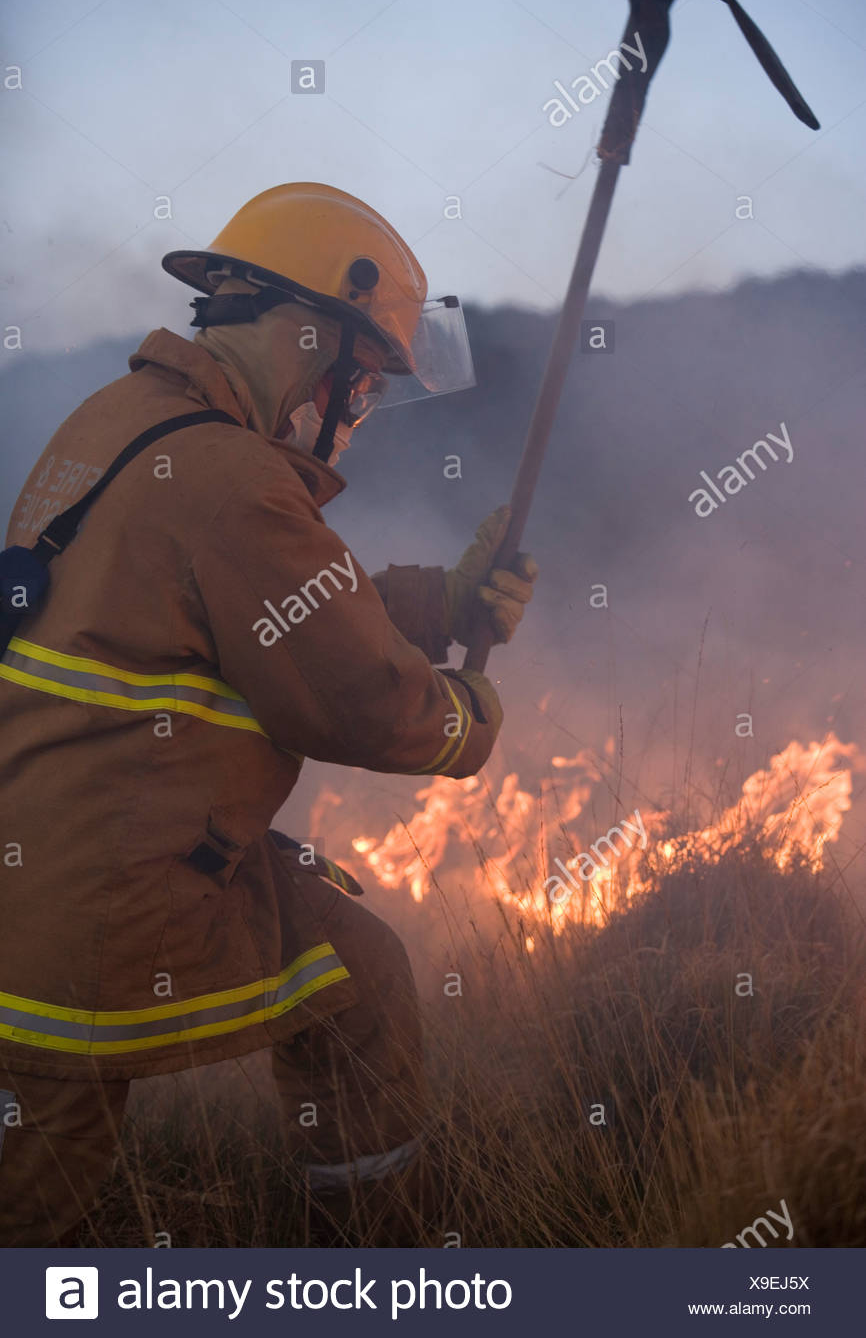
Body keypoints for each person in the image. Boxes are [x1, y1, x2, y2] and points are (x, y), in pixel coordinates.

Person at [0, 183, 537, 1246]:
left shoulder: (125, 422)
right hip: (107, 897)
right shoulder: (230, 477)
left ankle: (371, 1263)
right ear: (311, 340)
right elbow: (357, 700)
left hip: (71, 847)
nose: (361, 409)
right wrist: (467, 715)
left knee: (356, 975)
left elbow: (254, 616)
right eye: (368, 379)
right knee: (32, 1196)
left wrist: (441, 602)